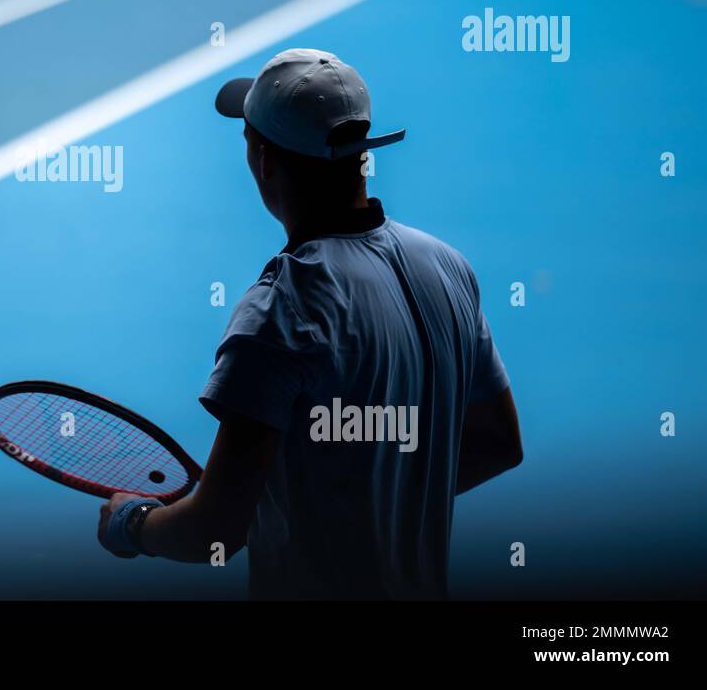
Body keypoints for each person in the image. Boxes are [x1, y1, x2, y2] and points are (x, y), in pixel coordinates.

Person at [97, 48, 522, 599]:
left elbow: (214, 532)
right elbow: (497, 445)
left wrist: (131, 525)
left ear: (265, 160)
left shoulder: (281, 310)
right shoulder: (446, 265)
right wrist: (378, 496)